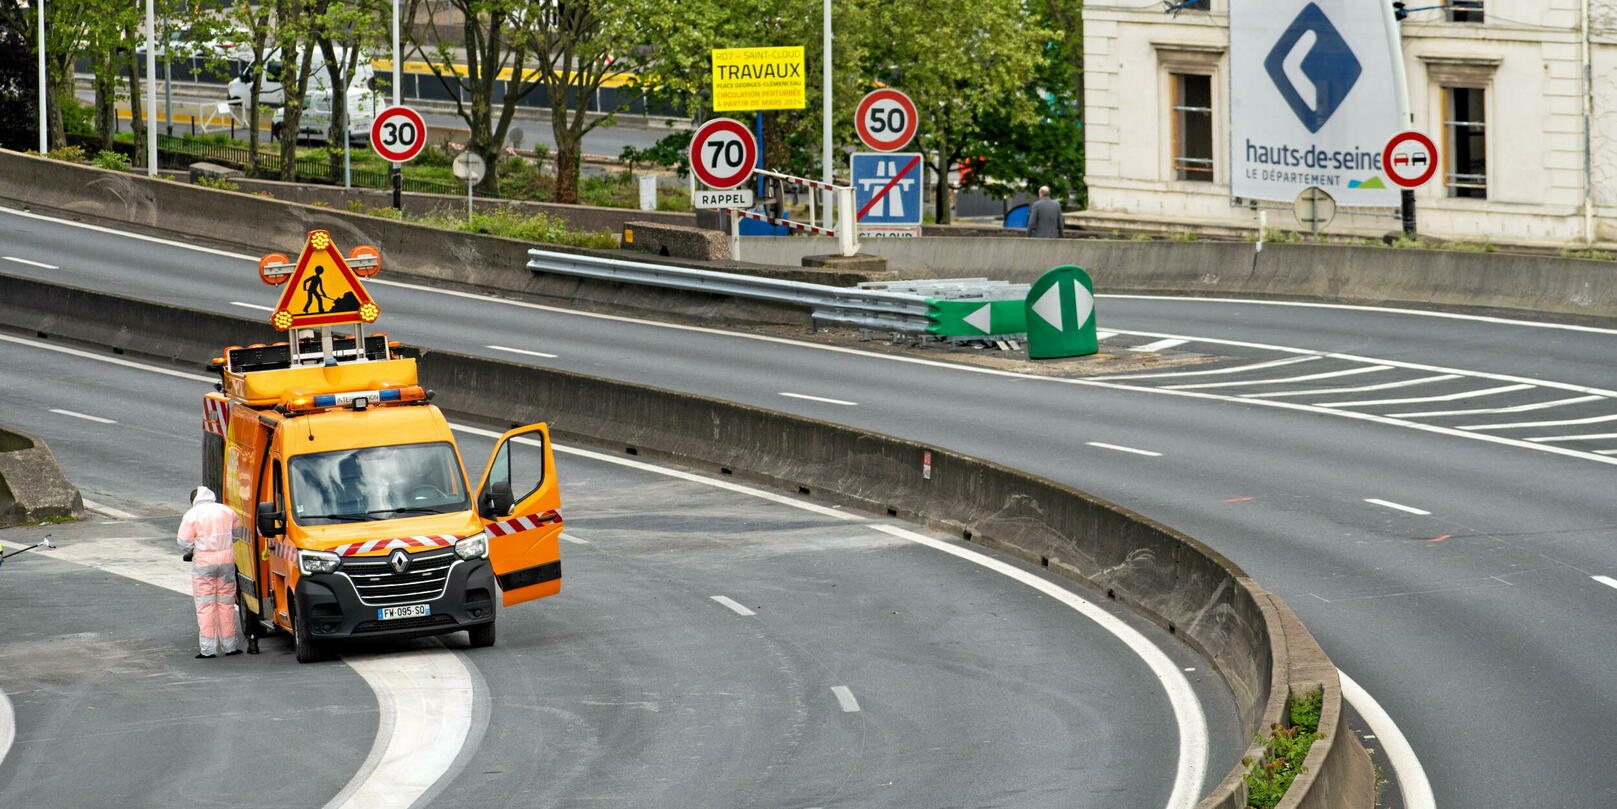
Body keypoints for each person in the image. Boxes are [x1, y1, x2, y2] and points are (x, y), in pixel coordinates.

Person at [177, 486, 247, 658]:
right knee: (226, 604)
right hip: (226, 563)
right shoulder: (226, 511)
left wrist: (194, 549)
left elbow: (183, 542)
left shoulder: (192, 515)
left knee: (206, 606)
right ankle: (230, 646)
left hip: (204, 566)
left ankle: (208, 649)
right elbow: (237, 534)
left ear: (194, 500)